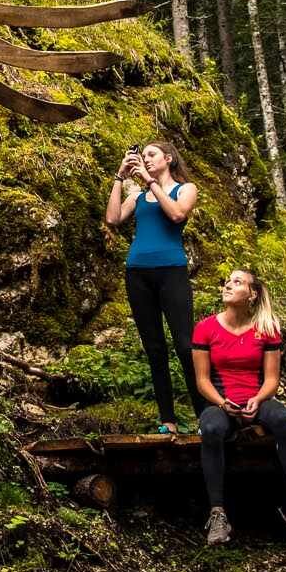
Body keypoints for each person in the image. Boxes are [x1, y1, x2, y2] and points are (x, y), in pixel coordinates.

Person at [191, 268, 286, 544]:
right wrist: (222, 403)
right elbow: (202, 380)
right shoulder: (205, 328)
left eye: (237, 282)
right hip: (221, 402)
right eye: (227, 281)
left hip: (257, 400)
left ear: (252, 293)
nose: (228, 285)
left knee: (283, 419)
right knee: (210, 427)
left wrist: (258, 399)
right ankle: (217, 514)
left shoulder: (267, 329)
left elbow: (272, 378)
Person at [105, 140, 201, 434]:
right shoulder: (137, 196)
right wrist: (120, 177)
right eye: (141, 156)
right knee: (154, 348)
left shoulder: (185, 189)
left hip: (171, 272)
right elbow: (112, 219)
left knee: (186, 345)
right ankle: (167, 420)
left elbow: (176, 215)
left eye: (151, 155)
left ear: (168, 159)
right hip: (137, 273)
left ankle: (204, 416)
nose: (145, 159)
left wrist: (151, 183)